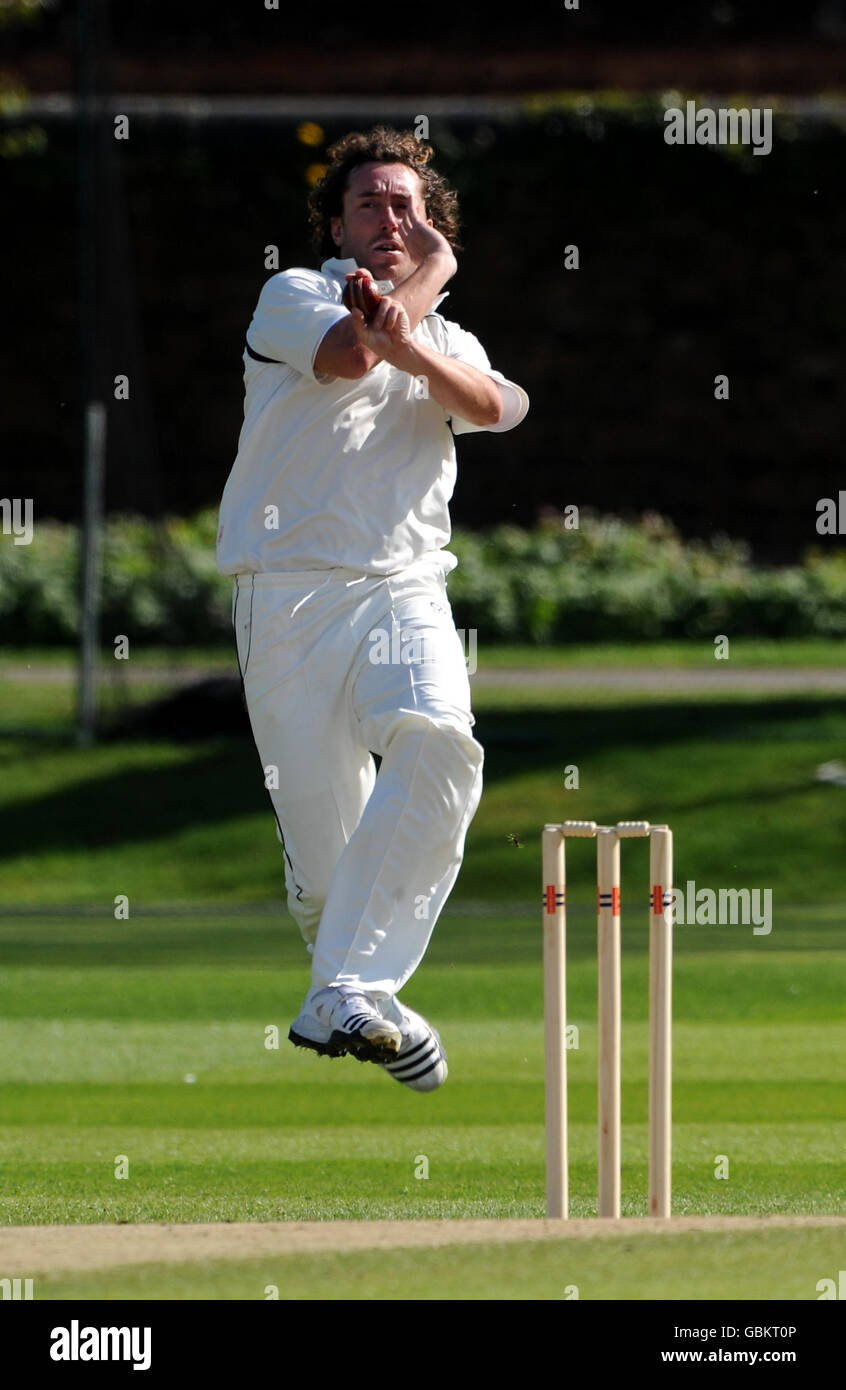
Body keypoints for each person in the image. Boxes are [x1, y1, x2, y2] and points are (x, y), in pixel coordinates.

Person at [216, 126, 528, 1092]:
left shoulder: (450, 337)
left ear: (429, 218)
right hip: (288, 593)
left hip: (403, 586)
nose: (388, 219)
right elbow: (352, 357)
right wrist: (422, 287)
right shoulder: (292, 297)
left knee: (440, 740)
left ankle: (348, 985)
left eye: (406, 205)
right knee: (326, 873)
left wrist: (417, 327)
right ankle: (358, 992)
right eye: (369, 205)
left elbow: (495, 407)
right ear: (336, 223)